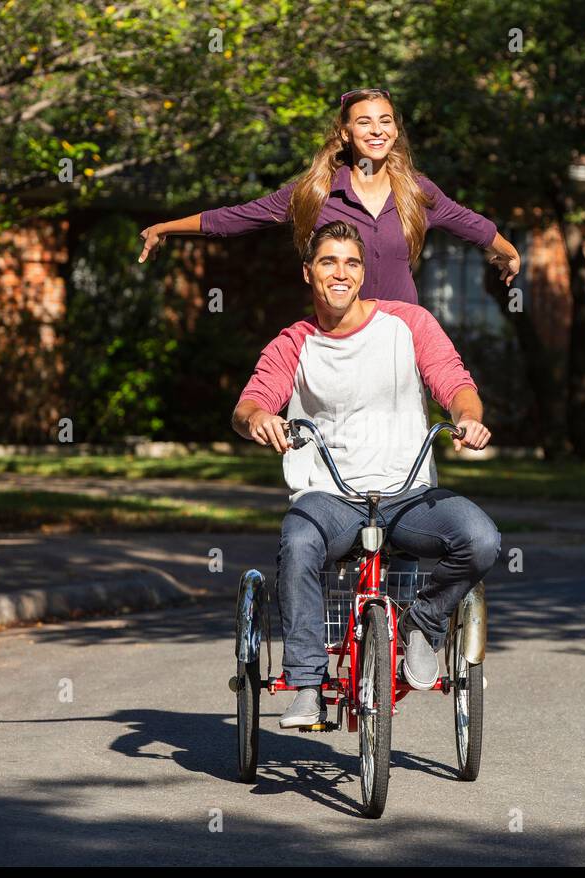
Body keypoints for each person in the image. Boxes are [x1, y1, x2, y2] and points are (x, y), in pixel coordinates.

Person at [230, 220, 502, 729]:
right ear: (308, 272)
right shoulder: (295, 342)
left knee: (481, 538)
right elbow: (248, 406)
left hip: (407, 493)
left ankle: (422, 625)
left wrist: (468, 417)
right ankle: (308, 683)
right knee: (299, 541)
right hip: (329, 497)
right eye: (328, 262)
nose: (341, 272)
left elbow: (453, 380)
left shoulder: (408, 323)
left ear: (363, 272)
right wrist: (260, 419)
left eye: (351, 262)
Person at [139, 88, 520, 303]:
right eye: (365, 122)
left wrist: (508, 250)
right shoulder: (316, 192)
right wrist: (166, 228)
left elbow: (471, 224)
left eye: (385, 121)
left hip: (401, 336)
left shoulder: (416, 191)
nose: (377, 130)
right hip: (336, 336)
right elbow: (237, 217)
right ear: (345, 133)